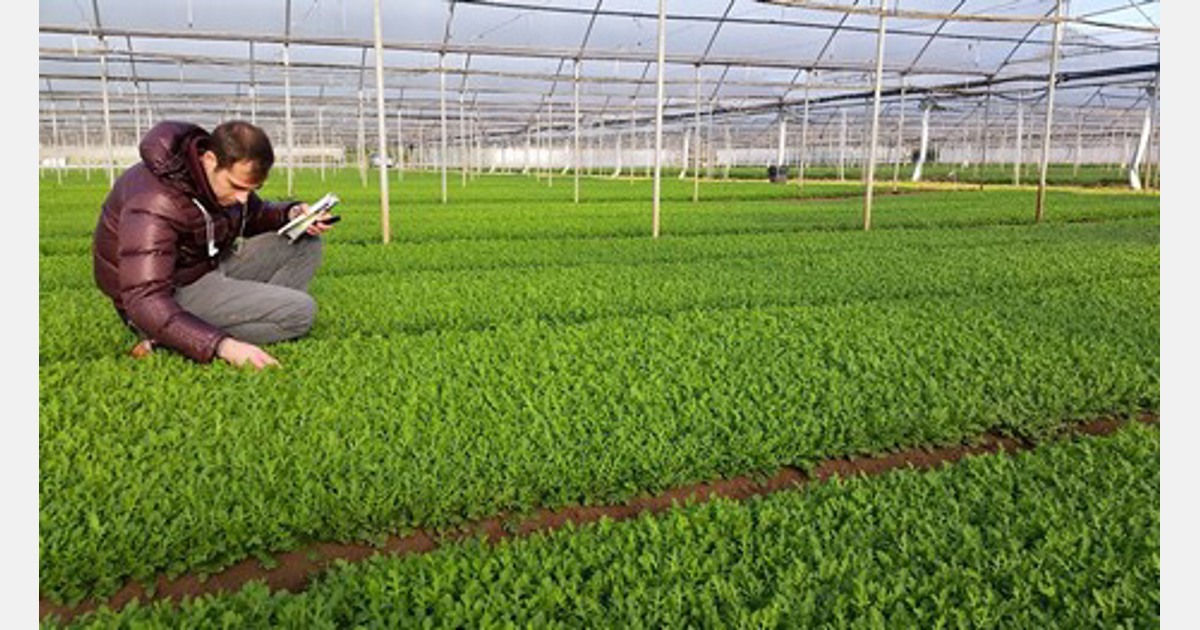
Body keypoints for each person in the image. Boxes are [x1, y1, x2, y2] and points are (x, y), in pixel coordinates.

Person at [92, 120, 336, 370]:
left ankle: (255, 312)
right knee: (300, 312)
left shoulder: (215, 178)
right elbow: (144, 298)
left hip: (207, 266)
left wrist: (292, 214)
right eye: (237, 186)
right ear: (210, 159)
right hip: (171, 292)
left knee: (305, 242)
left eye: (252, 189)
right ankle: (170, 339)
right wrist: (223, 346)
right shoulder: (156, 200)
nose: (244, 198)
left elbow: (254, 214)